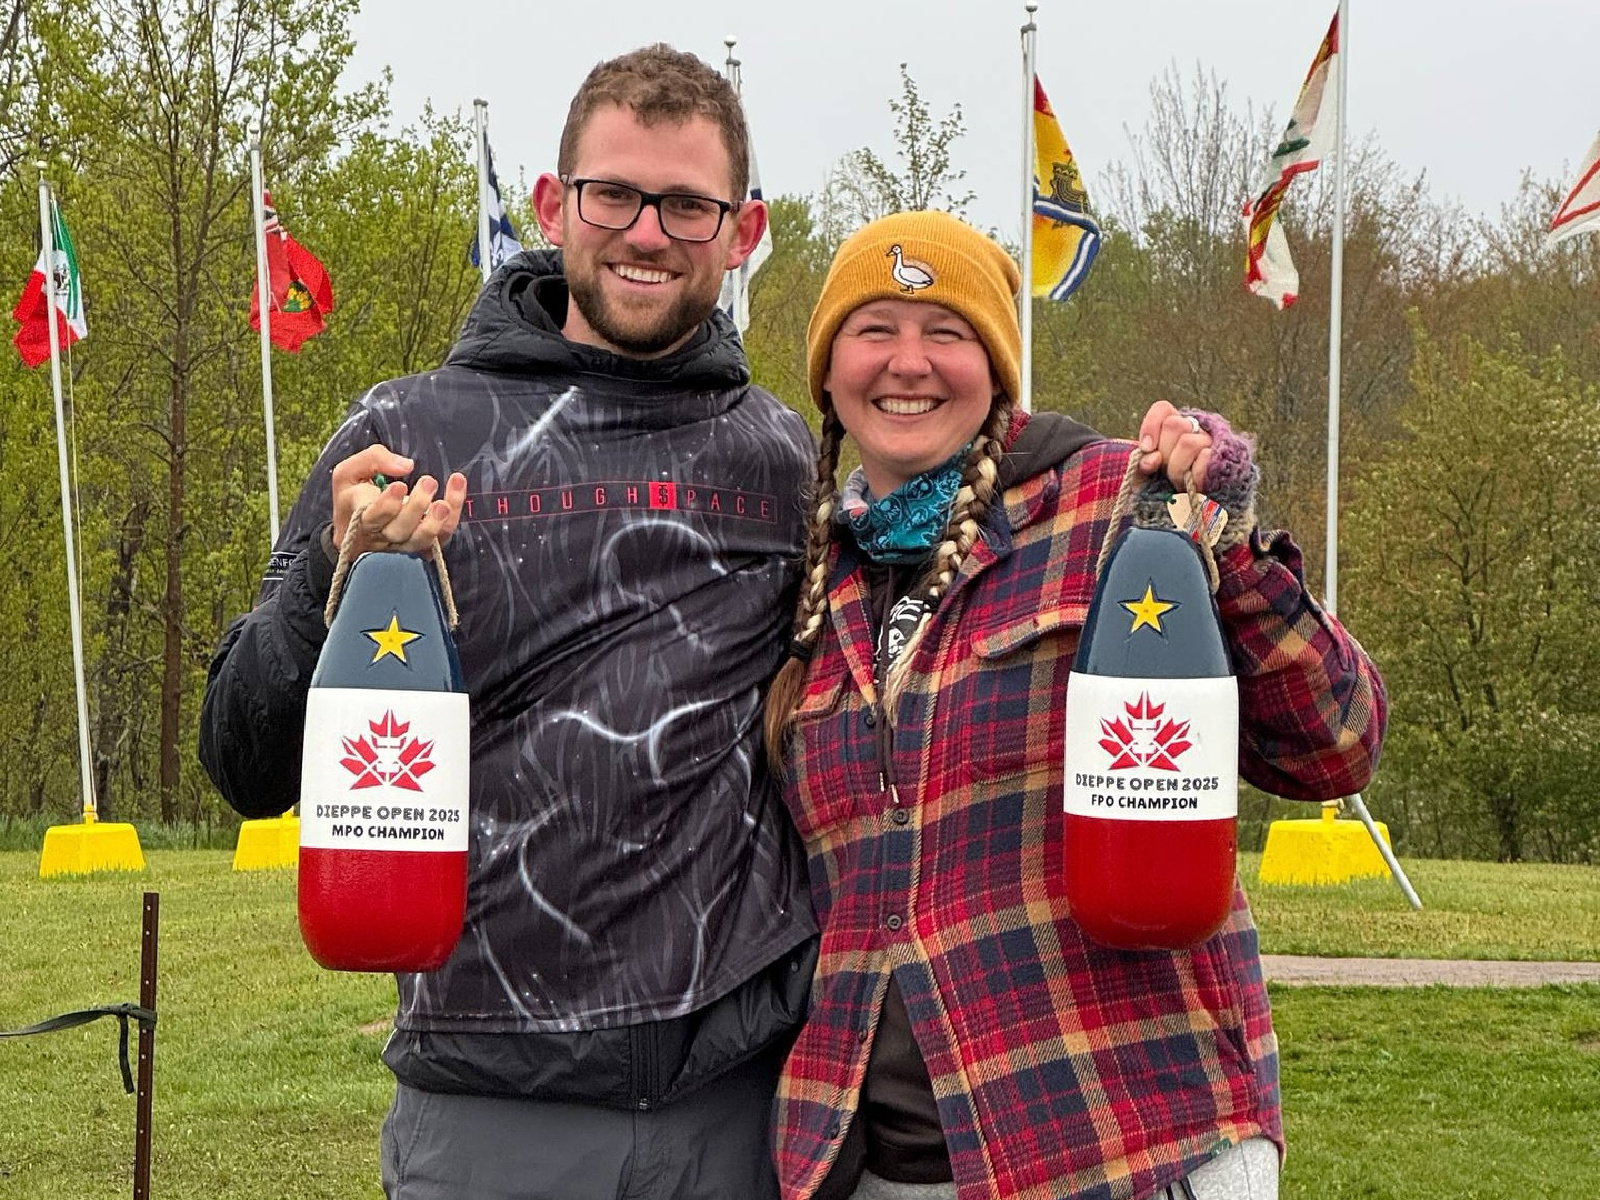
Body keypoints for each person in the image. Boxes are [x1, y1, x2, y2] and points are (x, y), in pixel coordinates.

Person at [199, 44, 818, 1200]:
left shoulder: (781, 458)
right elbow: (241, 762)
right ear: (553, 204)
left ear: (742, 230)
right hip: (487, 1111)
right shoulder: (401, 433)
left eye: (688, 204)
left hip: (738, 1109)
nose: (647, 232)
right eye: (615, 194)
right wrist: (323, 588)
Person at [761, 211, 1386, 1200]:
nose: (908, 362)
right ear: (829, 371)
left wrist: (1222, 544)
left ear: (997, 367)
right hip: (874, 1165)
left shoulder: (1115, 508)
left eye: (948, 332)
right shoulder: (809, 581)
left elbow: (1331, 746)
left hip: (1123, 1145)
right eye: (873, 328)